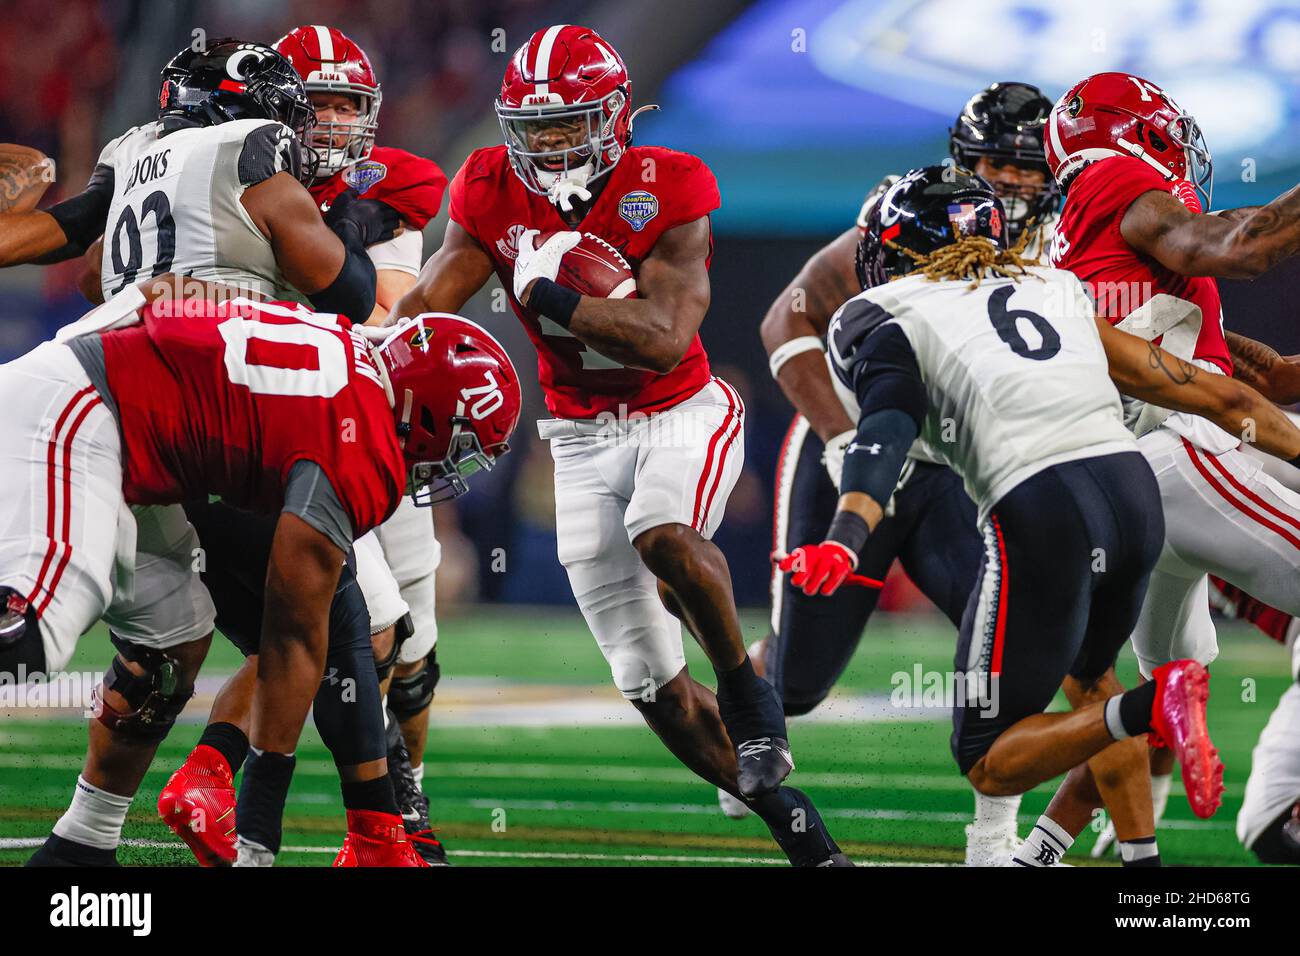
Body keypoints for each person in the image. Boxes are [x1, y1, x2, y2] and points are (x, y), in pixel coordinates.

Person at [387, 24, 848, 865]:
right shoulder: (491, 182)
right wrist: (376, 347)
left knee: (663, 531)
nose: (551, 145)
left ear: (614, 117)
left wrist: (552, 298)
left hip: (682, 409)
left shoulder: (668, 184)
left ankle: (751, 699)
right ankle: (804, 837)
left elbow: (667, 338)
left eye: (569, 124)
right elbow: (430, 299)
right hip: (576, 437)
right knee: (652, 688)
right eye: (537, 128)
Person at [783, 165, 1300, 839]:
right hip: (1134, 498)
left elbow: (883, 433)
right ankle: (1128, 858)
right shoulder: (1055, 287)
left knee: (989, 758)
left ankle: (1154, 705)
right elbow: (1215, 394)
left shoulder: (882, 311)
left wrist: (845, 536)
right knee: (1090, 682)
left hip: (1043, 506)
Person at [754, 81, 1069, 863]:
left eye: (1030, 168)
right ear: (964, 159)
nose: (1014, 182)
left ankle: (994, 834)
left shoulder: (1067, 238)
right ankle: (752, 706)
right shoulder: (921, 212)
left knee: (999, 636)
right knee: (798, 683)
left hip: (953, 471)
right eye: (997, 162)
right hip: (860, 455)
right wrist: (839, 436)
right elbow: (787, 315)